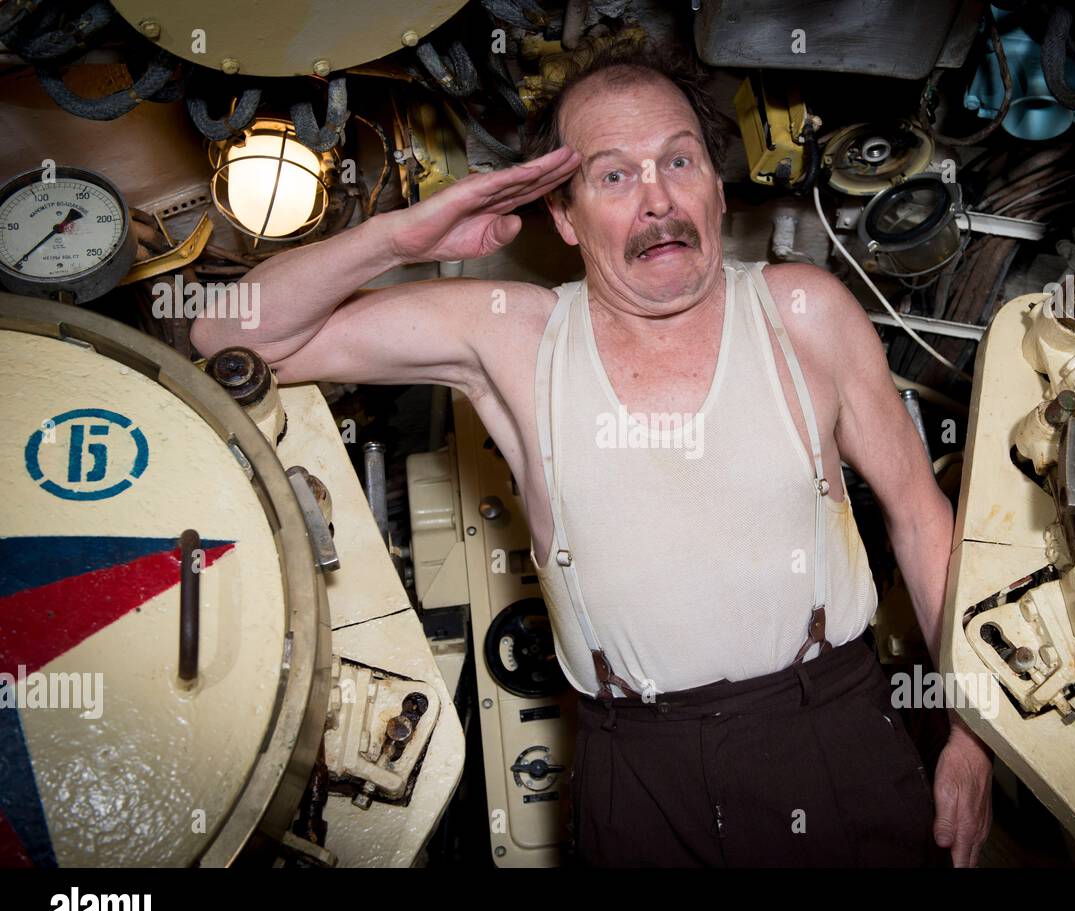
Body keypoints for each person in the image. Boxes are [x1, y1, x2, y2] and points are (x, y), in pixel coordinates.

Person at [192, 42, 993, 867]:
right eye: (614, 176)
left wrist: (973, 731)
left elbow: (921, 519)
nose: (657, 199)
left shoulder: (804, 311)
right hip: (636, 770)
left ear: (715, 188)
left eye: (679, 160)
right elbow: (230, 338)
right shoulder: (515, 333)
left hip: (831, 734)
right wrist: (399, 239)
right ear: (566, 218)